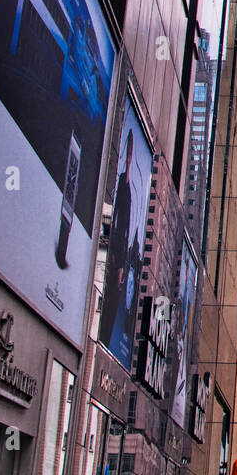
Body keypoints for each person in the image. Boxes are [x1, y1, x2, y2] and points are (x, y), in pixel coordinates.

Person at [99, 130, 134, 352]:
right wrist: (119, 263)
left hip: (118, 261)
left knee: (111, 307)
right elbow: (118, 227)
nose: (129, 157)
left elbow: (122, 228)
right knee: (109, 306)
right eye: (129, 153)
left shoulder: (126, 188)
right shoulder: (123, 186)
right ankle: (102, 336)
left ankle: (104, 336)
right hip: (115, 261)